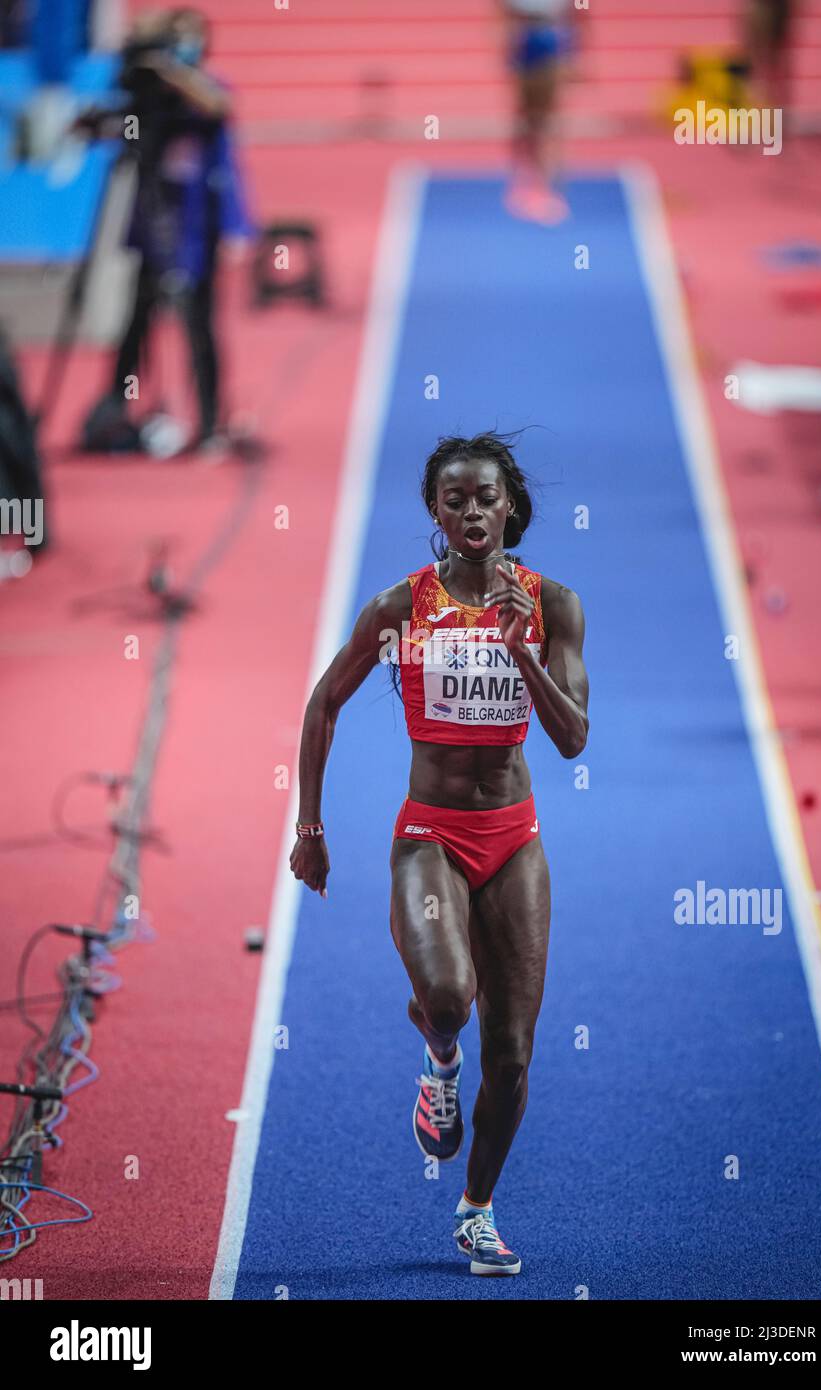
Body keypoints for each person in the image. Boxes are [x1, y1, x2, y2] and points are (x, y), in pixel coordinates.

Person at [290, 433, 589, 1275]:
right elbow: (323, 702)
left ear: (508, 508)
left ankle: (476, 1210)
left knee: (518, 1052)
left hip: (513, 837)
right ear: (435, 511)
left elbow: (573, 739)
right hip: (430, 833)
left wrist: (523, 654)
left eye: (484, 498)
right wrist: (311, 828)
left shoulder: (554, 606)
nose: (469, 512)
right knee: (452, 996)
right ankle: (437, 1051)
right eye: (453, 500)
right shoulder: (400, 608)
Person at [104, 7, 246, 451]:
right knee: (137, 324)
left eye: (192, 39)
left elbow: (219, 104)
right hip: (152, 223)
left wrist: (172, 70)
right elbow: (117, 117)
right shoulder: (150, 98)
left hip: (194, 229)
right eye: (175, 39)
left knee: (198, 327)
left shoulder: (206, 86)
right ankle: (114, 413)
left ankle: (208, 424)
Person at [500, 0, 583, 224]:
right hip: (525, 52)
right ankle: (523, 179)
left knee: (549, 122)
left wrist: (575, 56)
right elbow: (504, 16)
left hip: (550, 54)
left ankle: (552, 183)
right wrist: (508, 54)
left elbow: (577, 16)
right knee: (525, 122)